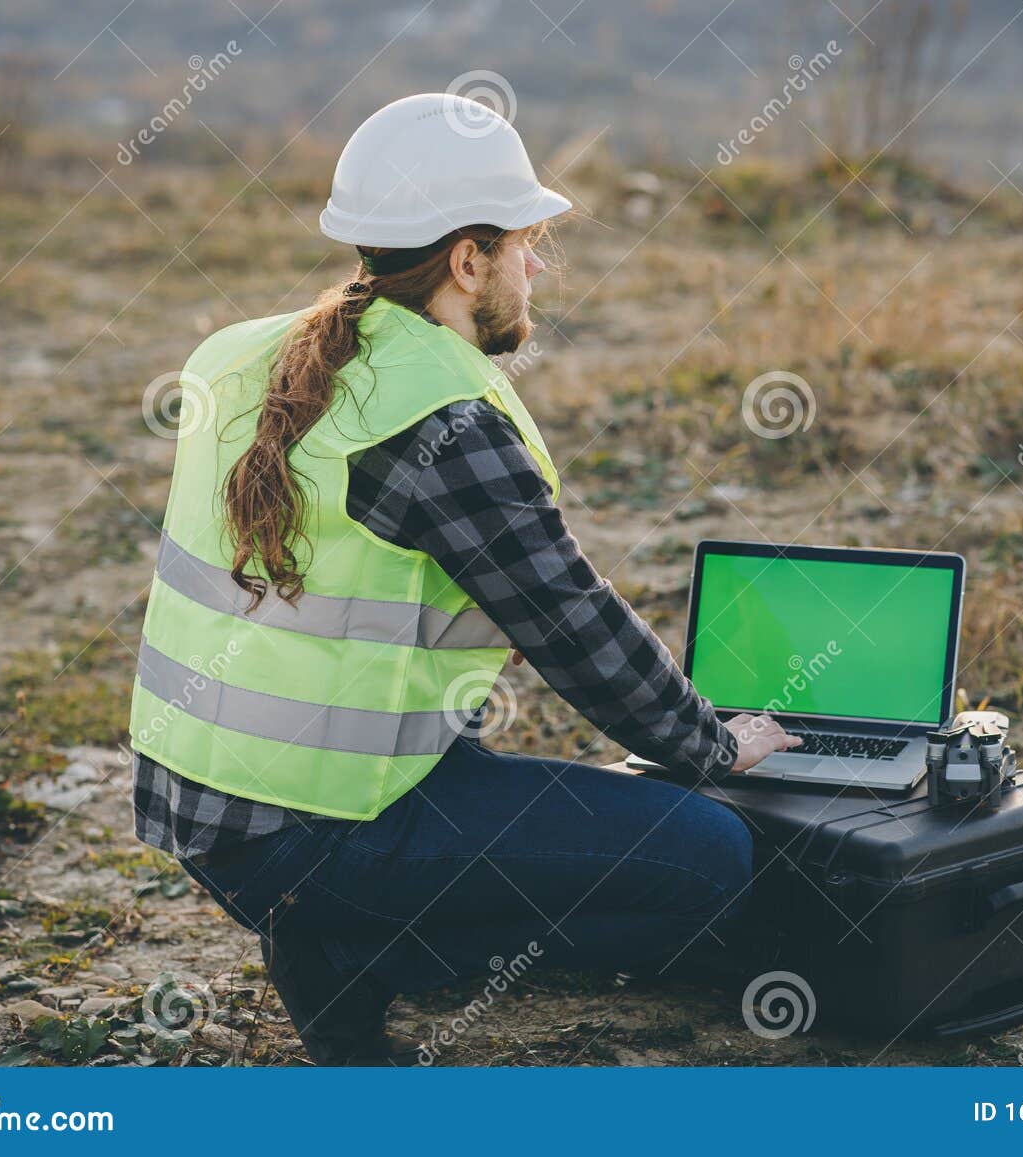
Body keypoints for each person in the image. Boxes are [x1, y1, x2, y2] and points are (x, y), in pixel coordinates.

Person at [127, 93, 800, 1066]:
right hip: (309, 839)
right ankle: (348, 944)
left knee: (482, 749)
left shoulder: (240, 352)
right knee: (708, 860)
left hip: (197, 801)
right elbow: (572, 622)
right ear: (468, 259)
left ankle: (341, 923)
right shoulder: (439, 416)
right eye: (528, 243)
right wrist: (710, 742)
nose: (537, 267)